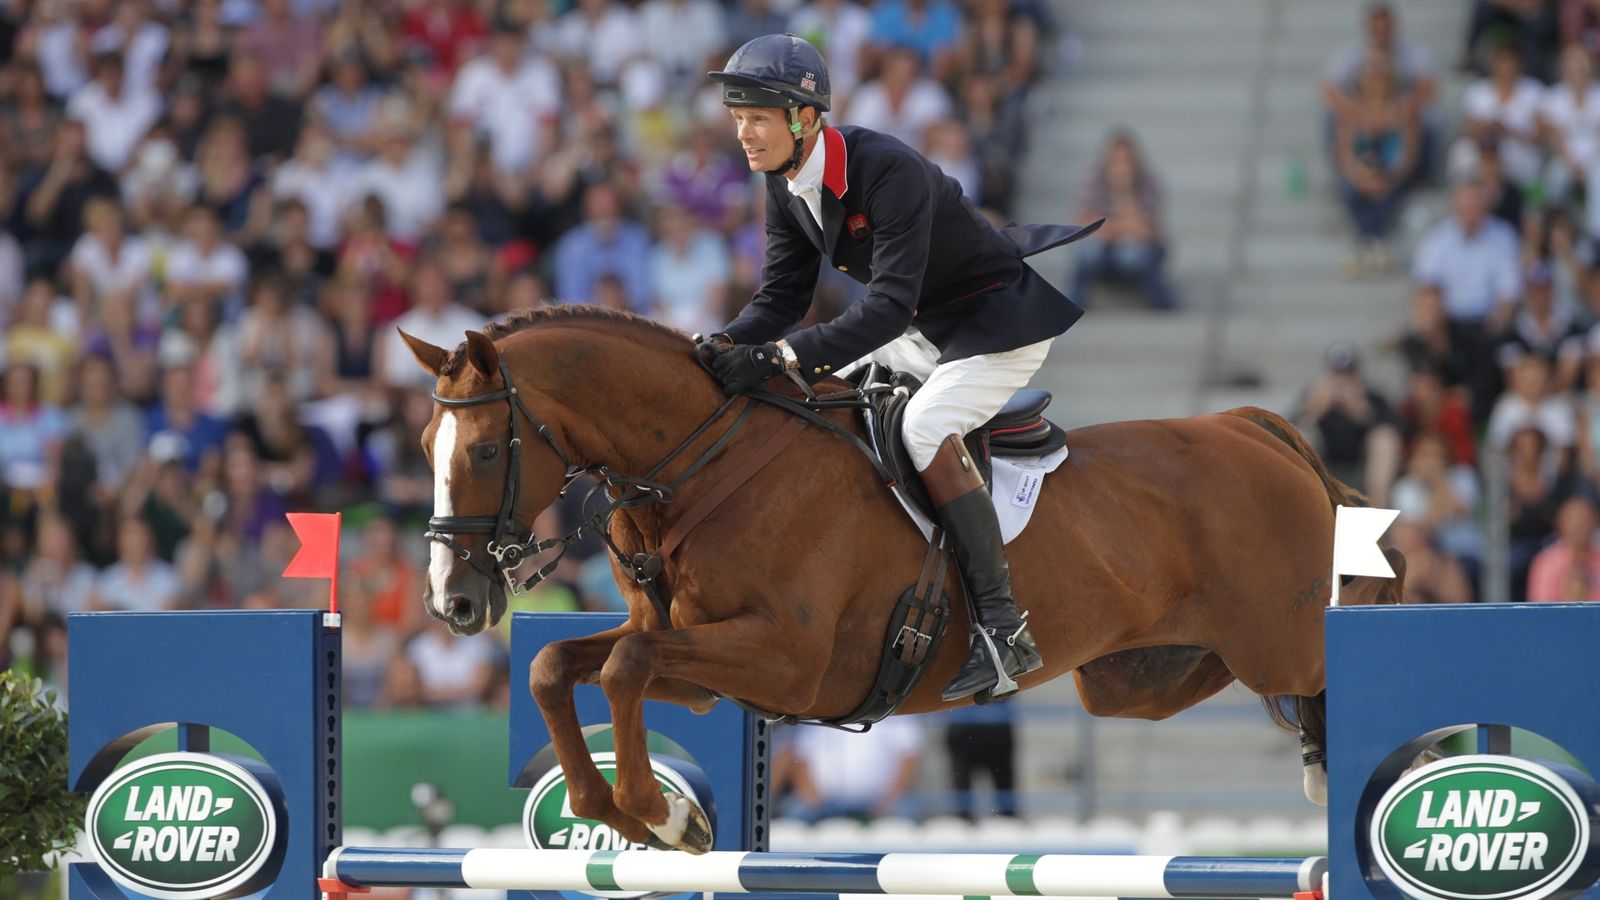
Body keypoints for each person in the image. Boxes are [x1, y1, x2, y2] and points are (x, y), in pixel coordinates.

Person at [698, 34, 1097, 701]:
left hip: (993, 325)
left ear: (804, 117)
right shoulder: (784, 182)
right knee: (820, 401)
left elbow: (884, 308)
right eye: (737, 119)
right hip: (922, 332)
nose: (743, 134)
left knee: (919, 430)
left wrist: (783, 354)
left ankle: (1003, 631)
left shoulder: (889, 171)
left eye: (756, 119)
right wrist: (718, 345)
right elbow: (781, 298)